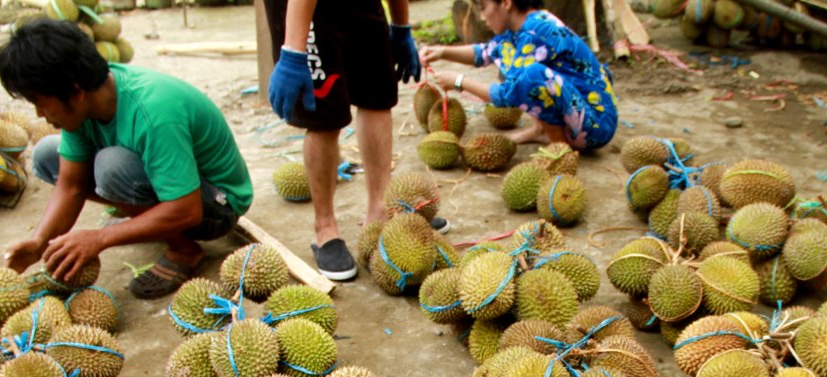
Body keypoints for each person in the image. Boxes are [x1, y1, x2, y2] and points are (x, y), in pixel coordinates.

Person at [0, 18, 253, 299]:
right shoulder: (85, 104)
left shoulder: (154, 111)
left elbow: (187, 209)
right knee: (48, 154)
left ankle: (184, 249)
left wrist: (100, 238)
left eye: (39, 102)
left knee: (111, 167)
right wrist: (38, 242)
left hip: (217, 205)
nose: (38, 114)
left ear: (75, 92)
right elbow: (71, 185)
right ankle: (142, 213)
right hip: (177, 189)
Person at [263, 0, 435, 282]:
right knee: (324, 114)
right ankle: (325, 229)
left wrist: (401, 25)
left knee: (378, 95)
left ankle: (379, 210)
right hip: (305, 9)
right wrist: (294, 51)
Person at [419, 0, 618, 151]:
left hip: (595, 126)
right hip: (574, 113)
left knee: (531, 76)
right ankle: (541, 130)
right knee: (509, 55)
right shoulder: (516, 31)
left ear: (506, 3)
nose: (482, 17)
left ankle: (560, 150)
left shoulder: (539, 28)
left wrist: (458, 81)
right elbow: (485, 52)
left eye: (483, 7)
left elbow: (509, 93)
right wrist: (442, 51)